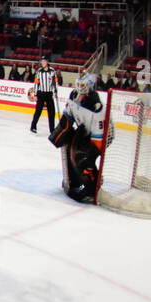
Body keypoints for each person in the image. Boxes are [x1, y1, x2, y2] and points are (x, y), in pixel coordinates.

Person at [49, 74, 110, 203]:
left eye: (83, 86)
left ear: (91, 87)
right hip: (86, 130)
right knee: (68, 147)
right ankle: (73, 181)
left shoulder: (95, 106)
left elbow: (98, 137)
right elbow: (68, 116)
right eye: (79, 85)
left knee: (82, 157)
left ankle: (93, 187)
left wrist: (89, 156)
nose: (80, 88)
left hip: (102, 135)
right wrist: (59, 134)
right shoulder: (73, 95)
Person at [30, 57, 60, 134]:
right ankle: (33, 126)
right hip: (41, 93)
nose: (42, 63)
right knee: (38, 111)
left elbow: (55, 82)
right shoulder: (39, 71)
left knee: (51, 112)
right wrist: (36, 94)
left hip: (49, 94)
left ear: (47, 62)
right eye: (41, 61)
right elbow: (36, 83)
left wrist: (55, 91)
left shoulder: (52, 71)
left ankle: (52, 129)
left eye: (44, 61)